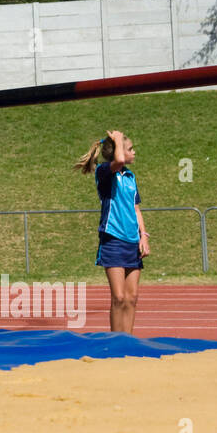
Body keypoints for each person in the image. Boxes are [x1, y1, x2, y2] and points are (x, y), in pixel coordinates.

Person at [73, 129, 148, 333]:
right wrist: (116, 140)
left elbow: (135, 208)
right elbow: (119, 161)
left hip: (132, 242)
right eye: (130, 149)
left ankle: (128, 339)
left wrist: (144, 236)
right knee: (119, 297)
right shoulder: (104, 171)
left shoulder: (130, 177)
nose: (134, 152)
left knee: (132, 298)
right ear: (118, 152)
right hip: (113, 241)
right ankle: (116, 342)